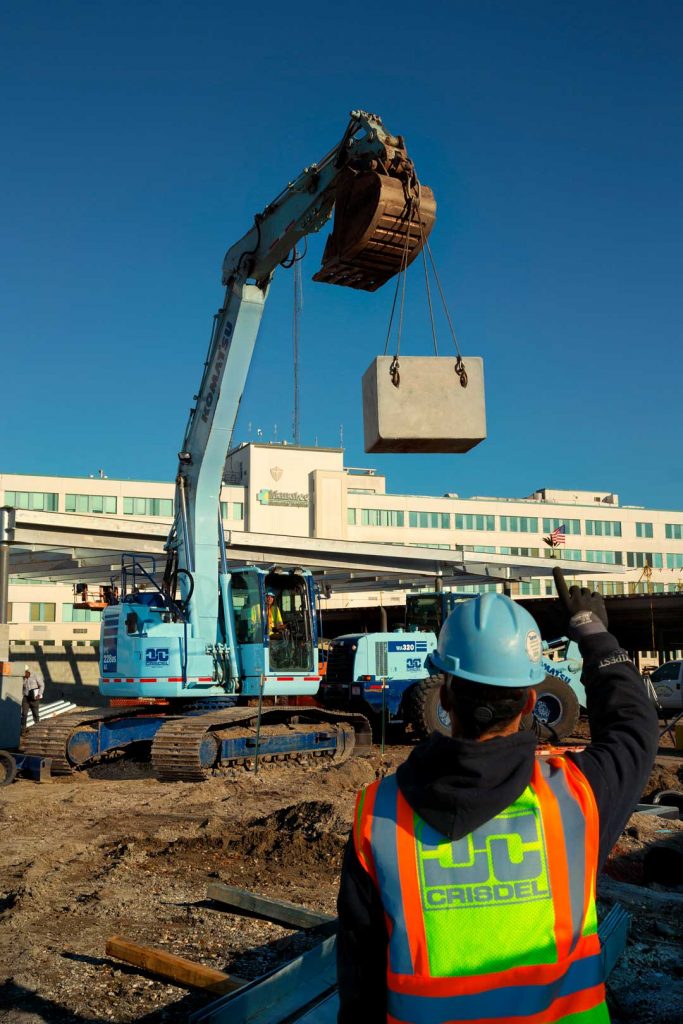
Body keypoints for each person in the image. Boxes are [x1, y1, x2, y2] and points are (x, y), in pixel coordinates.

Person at [336, 568, 659, 1024]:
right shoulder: (577, 798)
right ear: (530, 703)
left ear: (444, 698)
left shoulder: (379, 814)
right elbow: (635, 727)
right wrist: (594, 634)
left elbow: (360, 981)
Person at [21, 666, 45, 731]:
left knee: (35, 714)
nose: (23, 674)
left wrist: (39, 694)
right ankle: (23, 729)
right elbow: (21, 687)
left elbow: (42, 685)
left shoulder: (35, 676)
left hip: (35, 698)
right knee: (24, 714)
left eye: (24, 673)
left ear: (27, 671)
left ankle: (37, 729)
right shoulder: (23, 678)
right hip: (26, 698)